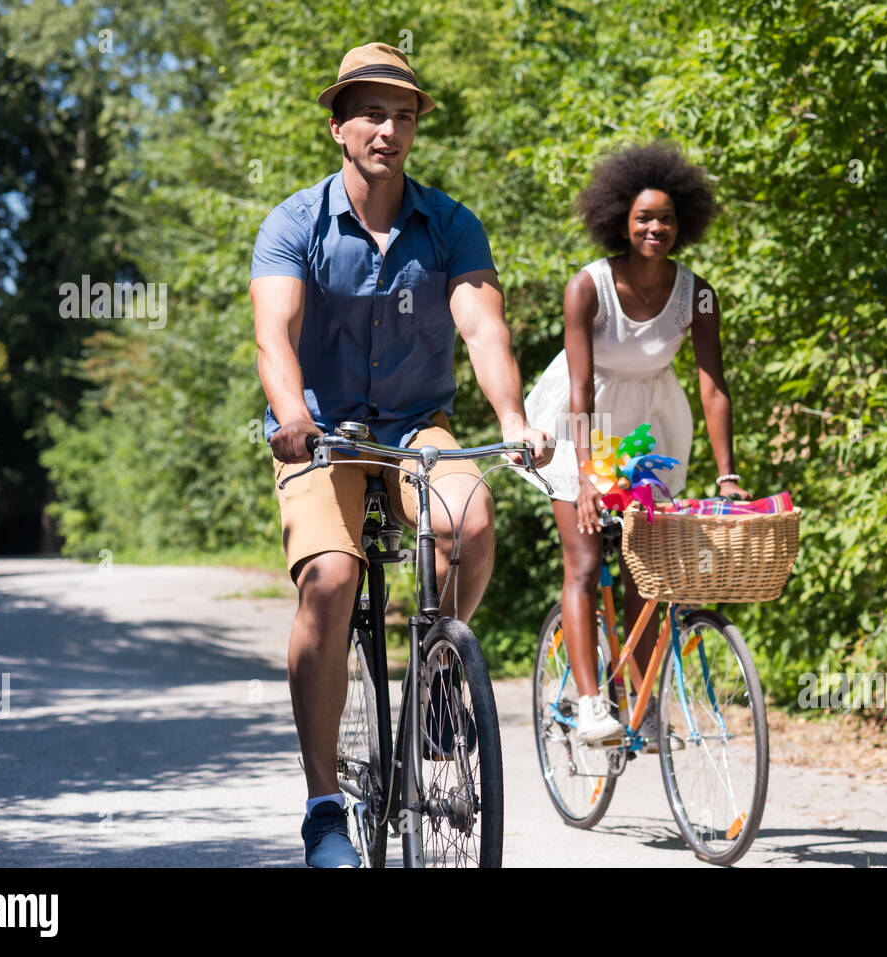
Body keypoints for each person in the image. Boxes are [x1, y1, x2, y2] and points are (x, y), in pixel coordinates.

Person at [250, 42, 552, 868]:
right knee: (332, 580)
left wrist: (513, 416)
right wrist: (289, 416)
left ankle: (434, 684)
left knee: (468, 517)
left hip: (417, 425)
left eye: (405, 114)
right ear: (340, 124)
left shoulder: (449, 224)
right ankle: (322, 809)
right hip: (322, 429)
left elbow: (483, 326)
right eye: (372, 112)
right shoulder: (293, 224)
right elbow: (275, 336)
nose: (389, 128)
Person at [520, 142, 750, 749]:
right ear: (620, 219)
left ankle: (643, 707)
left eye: (667, 219)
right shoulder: (587, 287)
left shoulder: (696, 295)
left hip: (652, 432)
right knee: (586, 564)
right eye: (645, 217)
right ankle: (592, 704)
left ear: (684, 224)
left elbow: (713, 385)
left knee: (644, 578)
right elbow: (577, 387)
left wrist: (727, 475)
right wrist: (590, 476)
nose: (656, 228)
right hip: (582, 427)